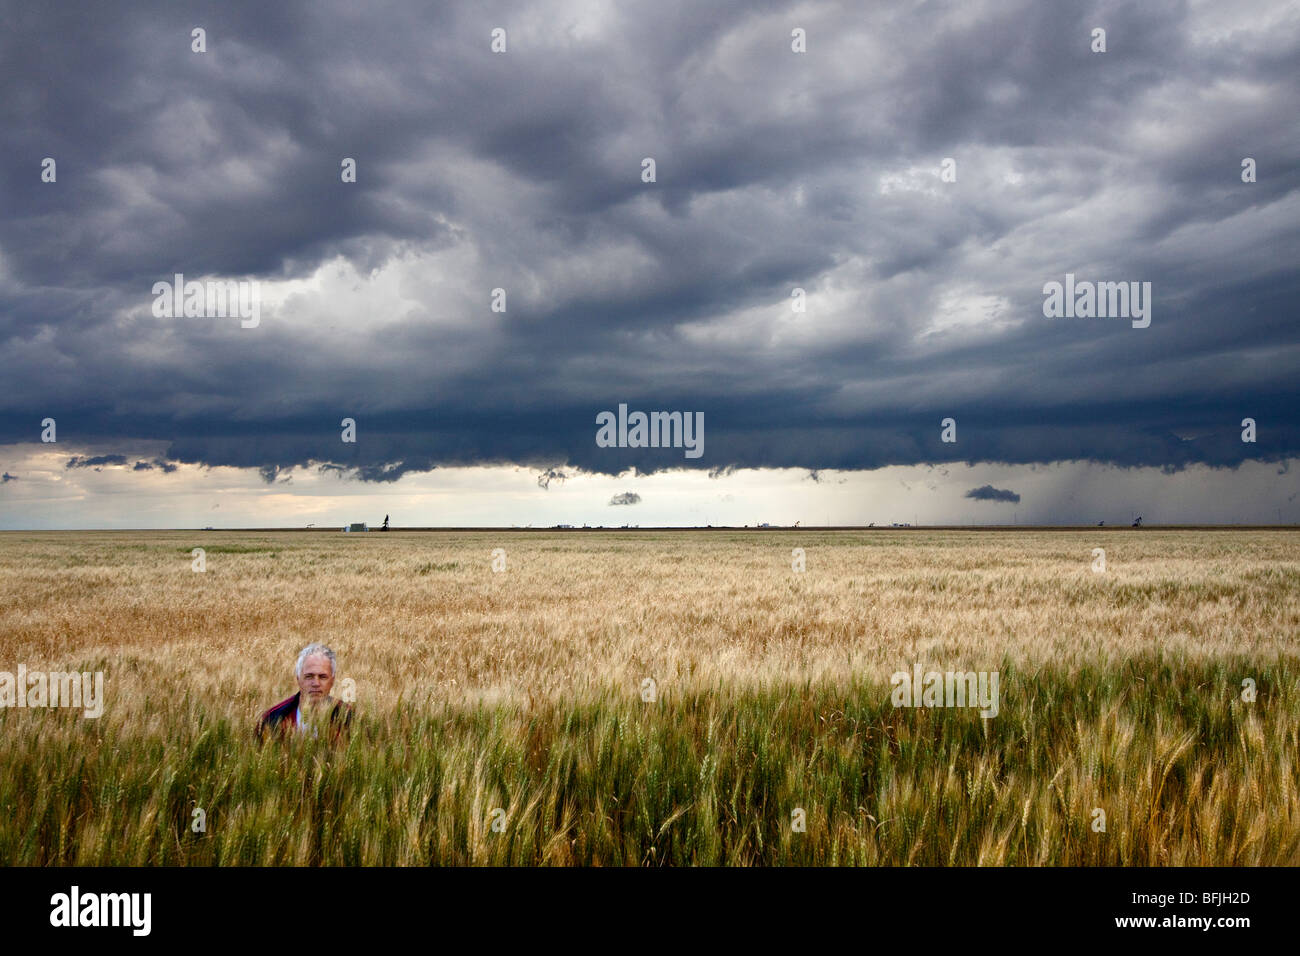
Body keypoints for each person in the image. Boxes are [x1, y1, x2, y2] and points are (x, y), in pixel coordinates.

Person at [256, 642, 353, 742]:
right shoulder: (272, 720)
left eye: (323, 677)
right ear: (298, 679)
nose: (316, 683)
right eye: (309, 676)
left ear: (332, 680)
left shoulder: (350, 718)